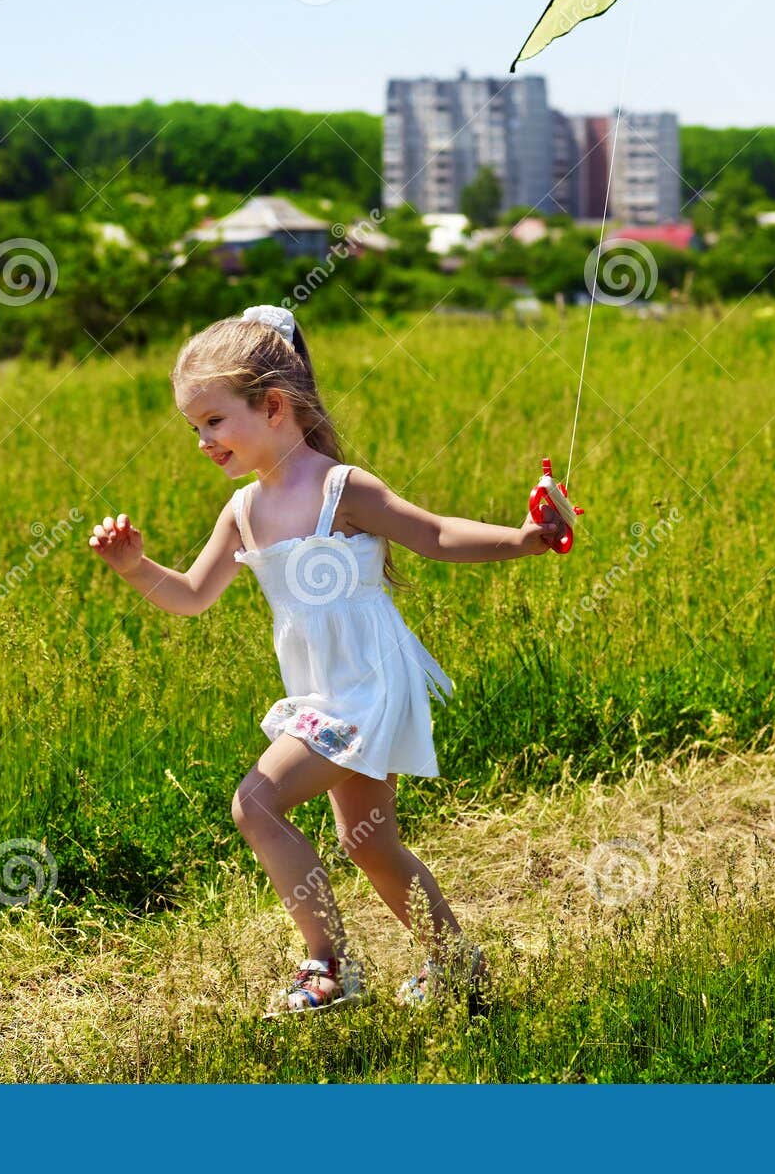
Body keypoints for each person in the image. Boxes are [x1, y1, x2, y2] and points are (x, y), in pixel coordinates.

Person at [89, 304, 564, 1013]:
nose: (201, 441)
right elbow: (190, 595)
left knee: (255, 802)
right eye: (195, 427)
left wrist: (526, 538)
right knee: (368, 843)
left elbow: (435, 534)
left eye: (213, 421)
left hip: (367, 690)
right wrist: (134, 566)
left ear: (273, 406)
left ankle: (329, 962)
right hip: (323, 696)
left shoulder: (342, 489)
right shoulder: (244, 510)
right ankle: (459, 966)